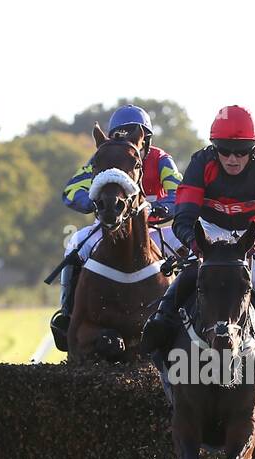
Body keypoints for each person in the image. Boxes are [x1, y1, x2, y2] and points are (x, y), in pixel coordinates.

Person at [141, 105, 255, 381]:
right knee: (189, 276)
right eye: (224, 149)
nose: (231, 158)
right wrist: (195, 242)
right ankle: (159, 328)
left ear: (253, 150)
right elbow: (183, 219)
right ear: (214, 147)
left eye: (240, 151)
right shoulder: (201, 163)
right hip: (210, 231)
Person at [50, 105, 184, 350]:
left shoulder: (161, 159)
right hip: (109, 226)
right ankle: (67, 312)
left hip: (153, 228)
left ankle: (195, 315)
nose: (126, 142)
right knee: (75, 242)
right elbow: (71, 191)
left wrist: (162, 208)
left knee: (193, 244)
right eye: (119, 135)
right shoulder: (101, 157)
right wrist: (97, 203)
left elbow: (180, 193)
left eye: (133, 135)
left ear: (146, 139)